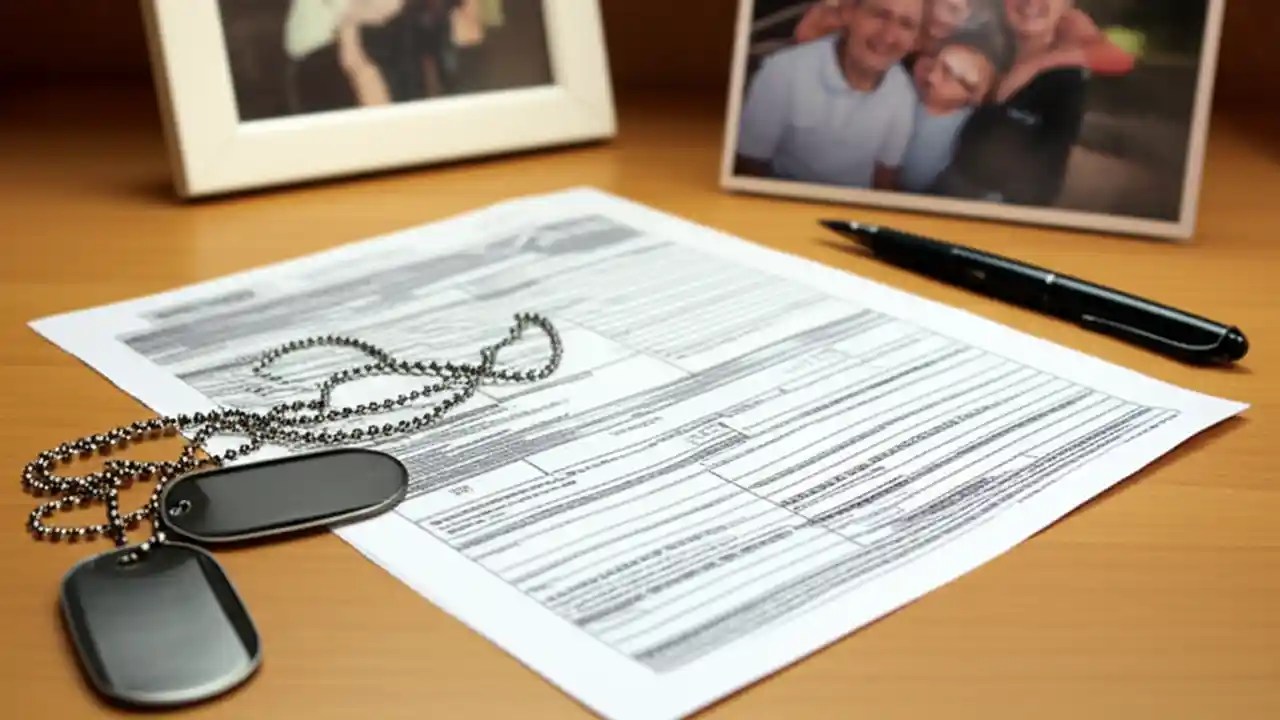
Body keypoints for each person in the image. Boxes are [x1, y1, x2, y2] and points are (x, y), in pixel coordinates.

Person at [735, 0, 924, 190]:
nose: (888, 36)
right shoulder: (782, 71)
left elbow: (885, 175)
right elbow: (749, 166)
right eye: (880, 15)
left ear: (915, 40)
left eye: (906, 24)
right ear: (849, 13)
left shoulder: (904, 93)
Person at [932, 0, 1089, 206]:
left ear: (1067, 5)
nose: (1031, 2)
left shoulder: (1065, 82)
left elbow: (1041, 182)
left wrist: (1039, 64)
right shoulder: (981, 40)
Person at [897, 28, 1005, 193]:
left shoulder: (969, 132)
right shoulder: (902, 90)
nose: (932, 76)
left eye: (947, 74)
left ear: (975, 94)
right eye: (935, 63)